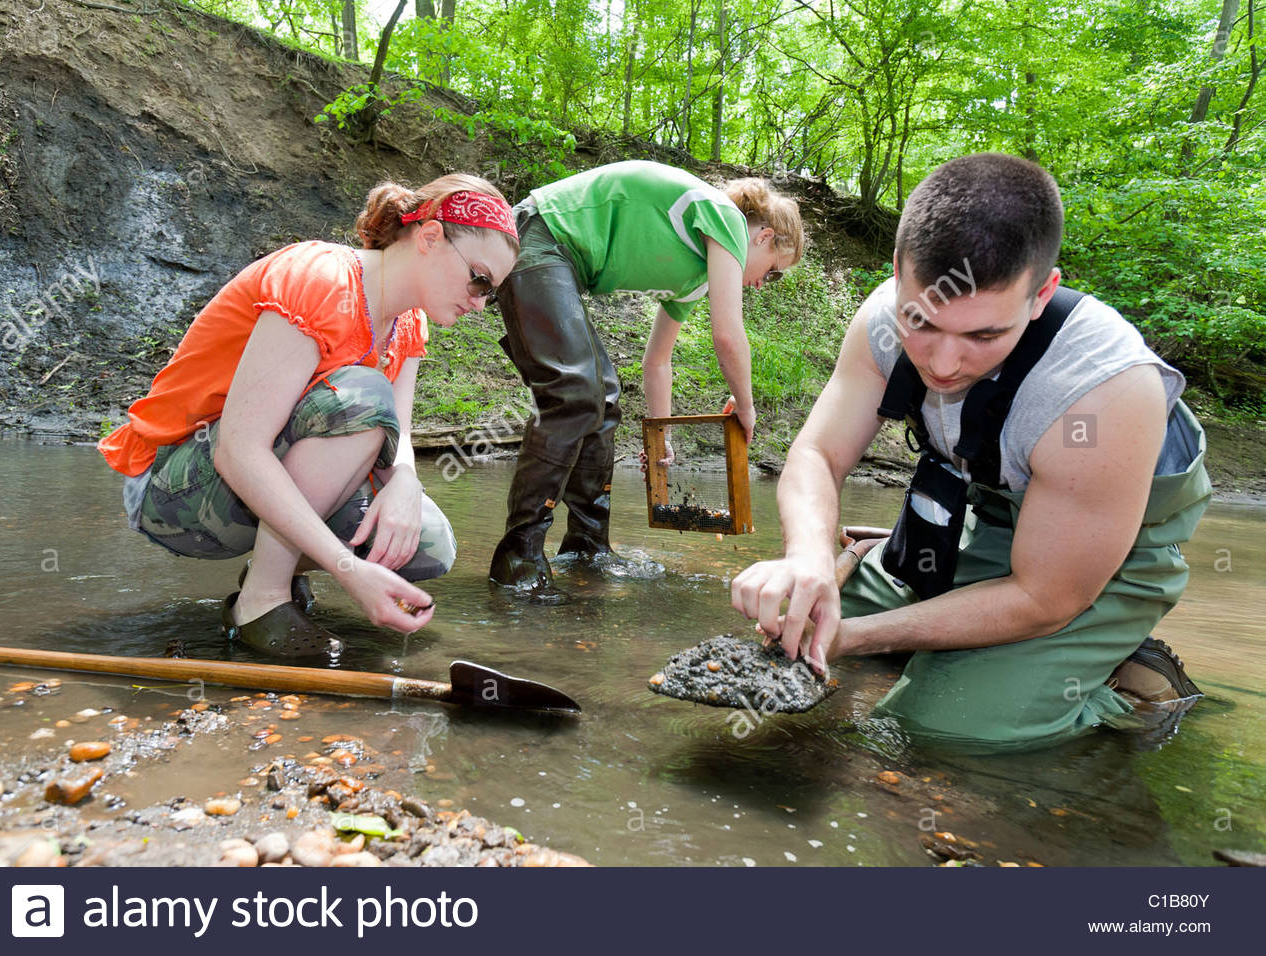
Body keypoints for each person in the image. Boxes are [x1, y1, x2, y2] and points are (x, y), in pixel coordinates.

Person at [730, 153, 1211, 751]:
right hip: (989, 516)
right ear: (899, 272)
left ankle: (1130, 679)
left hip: (1098, 560)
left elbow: (1043, 597)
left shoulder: (1103, 390)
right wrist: (808, 560)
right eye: (921, 322)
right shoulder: (883, 318)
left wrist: (853, 637)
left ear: (1042, 295)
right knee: (795, 619)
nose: (942, 362)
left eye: (984, 335)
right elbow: (818, 456)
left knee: (937, 726)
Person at [98, 176, 519, 656]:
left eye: (493, 293)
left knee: (426, 542)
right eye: (480, 279)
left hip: (239, 481)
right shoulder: (321, 280)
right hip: (172, 484)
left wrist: (405, 479)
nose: (481, 302)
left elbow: (395, 432)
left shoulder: (409, 321)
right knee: (363, 393)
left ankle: (266, 573)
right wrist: (347, 568)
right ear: (428, 237)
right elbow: (239, 448)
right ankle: (261, 600)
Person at [489, 159, 805, 591]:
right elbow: (728, 336)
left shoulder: (695, 278)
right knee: (575, 389)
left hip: (560, 260)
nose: (762, 284)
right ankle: (517, 558)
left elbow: (657, 360)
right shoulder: (725, 217)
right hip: (538, 235)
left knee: (601, 399)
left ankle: (586, 548)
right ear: (764, 236)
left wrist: (662, 441)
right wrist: (746, 408)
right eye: (773, 269)